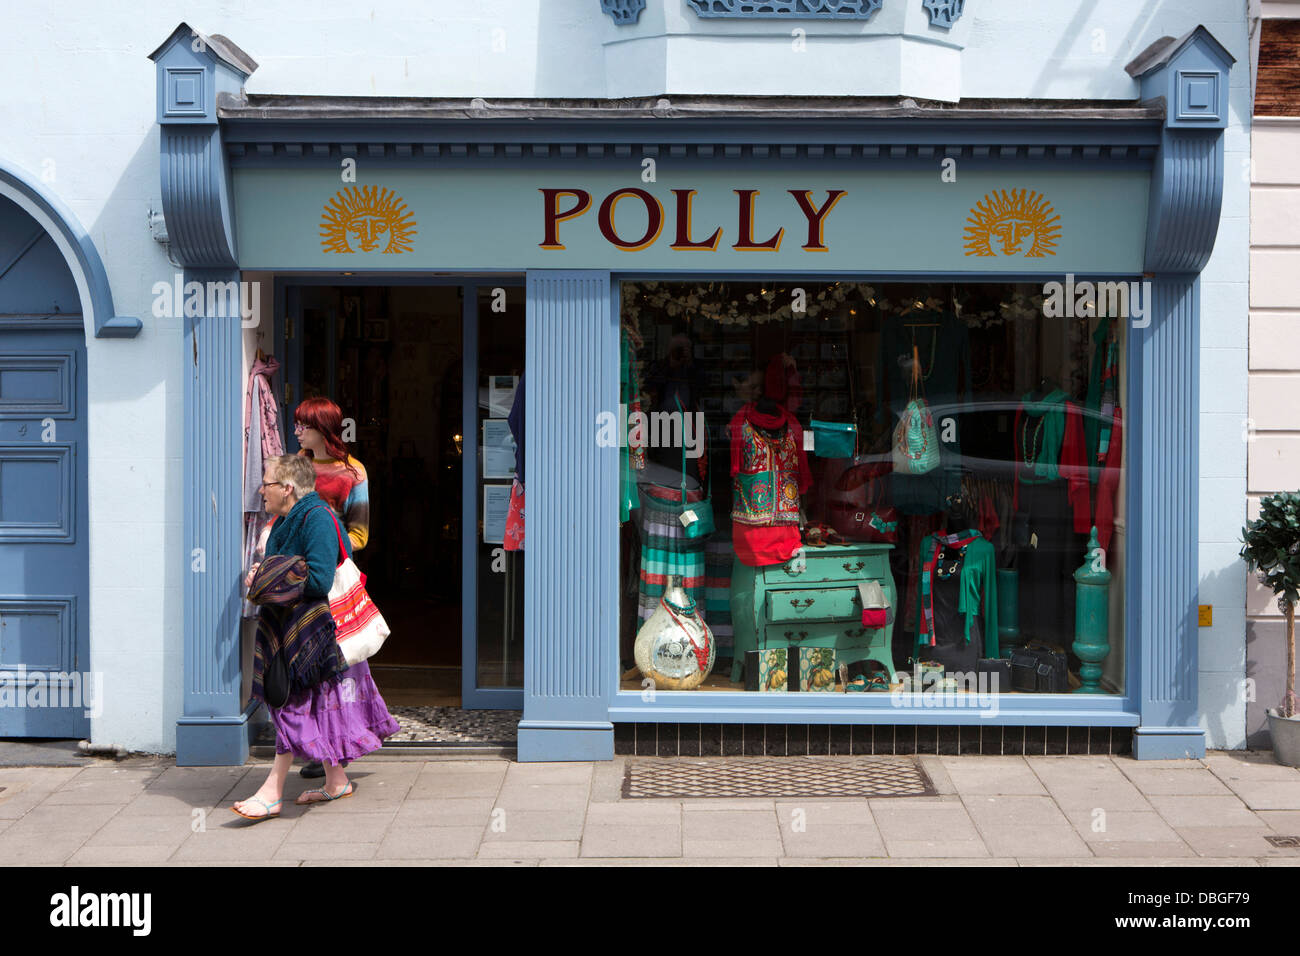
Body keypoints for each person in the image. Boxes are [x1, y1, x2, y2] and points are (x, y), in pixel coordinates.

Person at [232, 455, 399, 821]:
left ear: (287, 488)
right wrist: (264, 576)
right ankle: (336, 781)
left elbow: (319, 580)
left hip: (310, 635)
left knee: (290, 705)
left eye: (268, 483)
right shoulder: (284, 521)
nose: (262, 490)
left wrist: (268, 578)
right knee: (301, 705)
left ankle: (272, 791)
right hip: (286, 629)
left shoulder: (318, 519)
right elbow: (288, 569)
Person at [292, 397, 370, 778]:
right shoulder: (295, 467)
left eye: (302, 424)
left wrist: (325, 547)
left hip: (334, 580)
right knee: (305, 664)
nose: (296, 431)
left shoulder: (353, 473)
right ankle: (317, 747)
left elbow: (360, 532)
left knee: (340, 665)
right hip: (296, 580)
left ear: (322, 428)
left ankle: (341, 744)